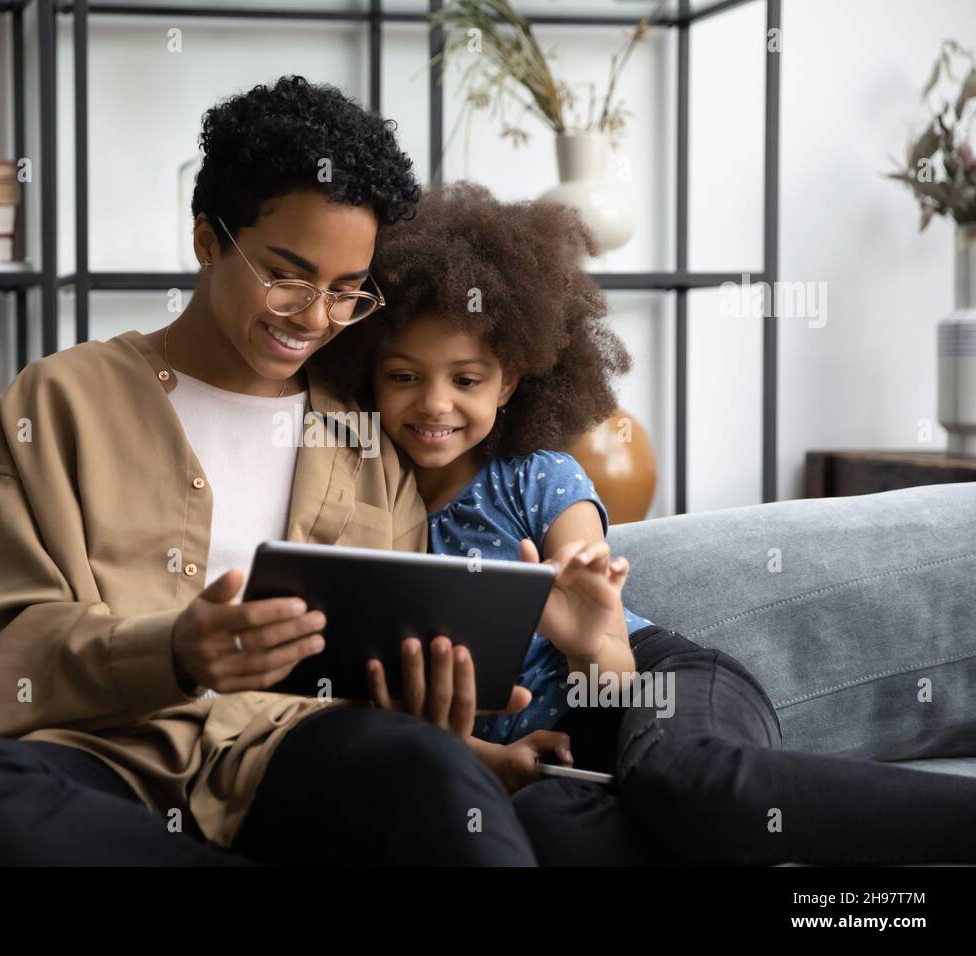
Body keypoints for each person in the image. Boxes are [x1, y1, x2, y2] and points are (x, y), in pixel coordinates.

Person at [0, 77, 539, 866]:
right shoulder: (60, 400)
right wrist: (176, 653)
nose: (315, 318)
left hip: (294, 761)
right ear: (206, 241)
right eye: (288, 276)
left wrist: (430, 707)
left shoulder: (368, 433)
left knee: (432, 776)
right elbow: (1, 664)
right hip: (107, 765)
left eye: (345, 292)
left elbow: (385, 679)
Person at [314, 181, 976, 865]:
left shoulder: (538, 478)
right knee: (546, 827)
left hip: (658, 686)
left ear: (509, 383)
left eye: (467, 379)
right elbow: (389, 719)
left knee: (682, 778)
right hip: (560, 755)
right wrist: (494, 759)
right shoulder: (365, 507)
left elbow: (616, 673)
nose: (434, 404)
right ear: (368, 376)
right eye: (404, 377)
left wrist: (588, 636)